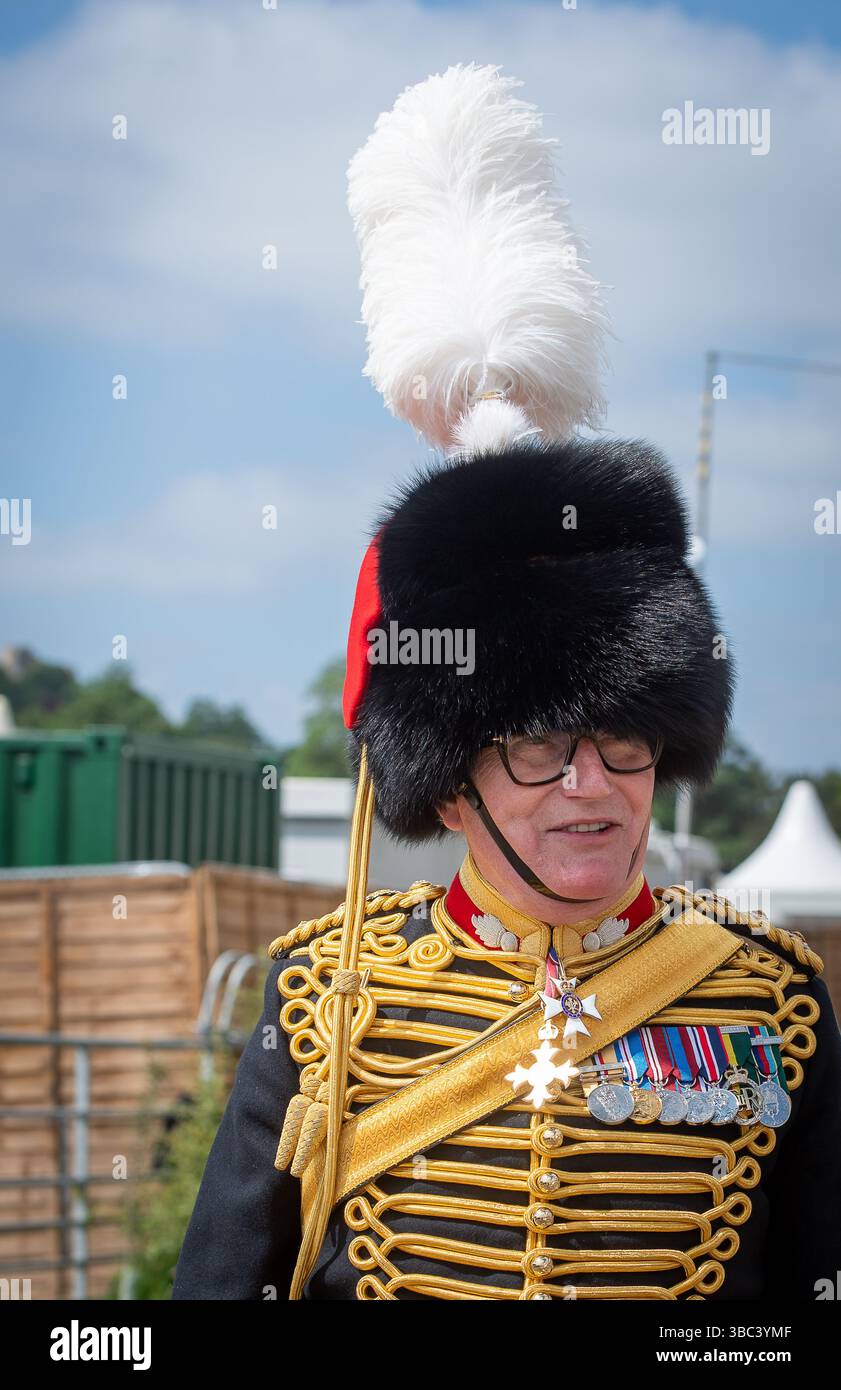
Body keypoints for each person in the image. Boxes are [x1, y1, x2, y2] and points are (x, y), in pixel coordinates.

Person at [171, 62, 841, 1303]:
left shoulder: (769, 1001)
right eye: (537, 746)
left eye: (626, 737)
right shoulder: (325, 1000)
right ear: (455, 777)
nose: (590, 784)